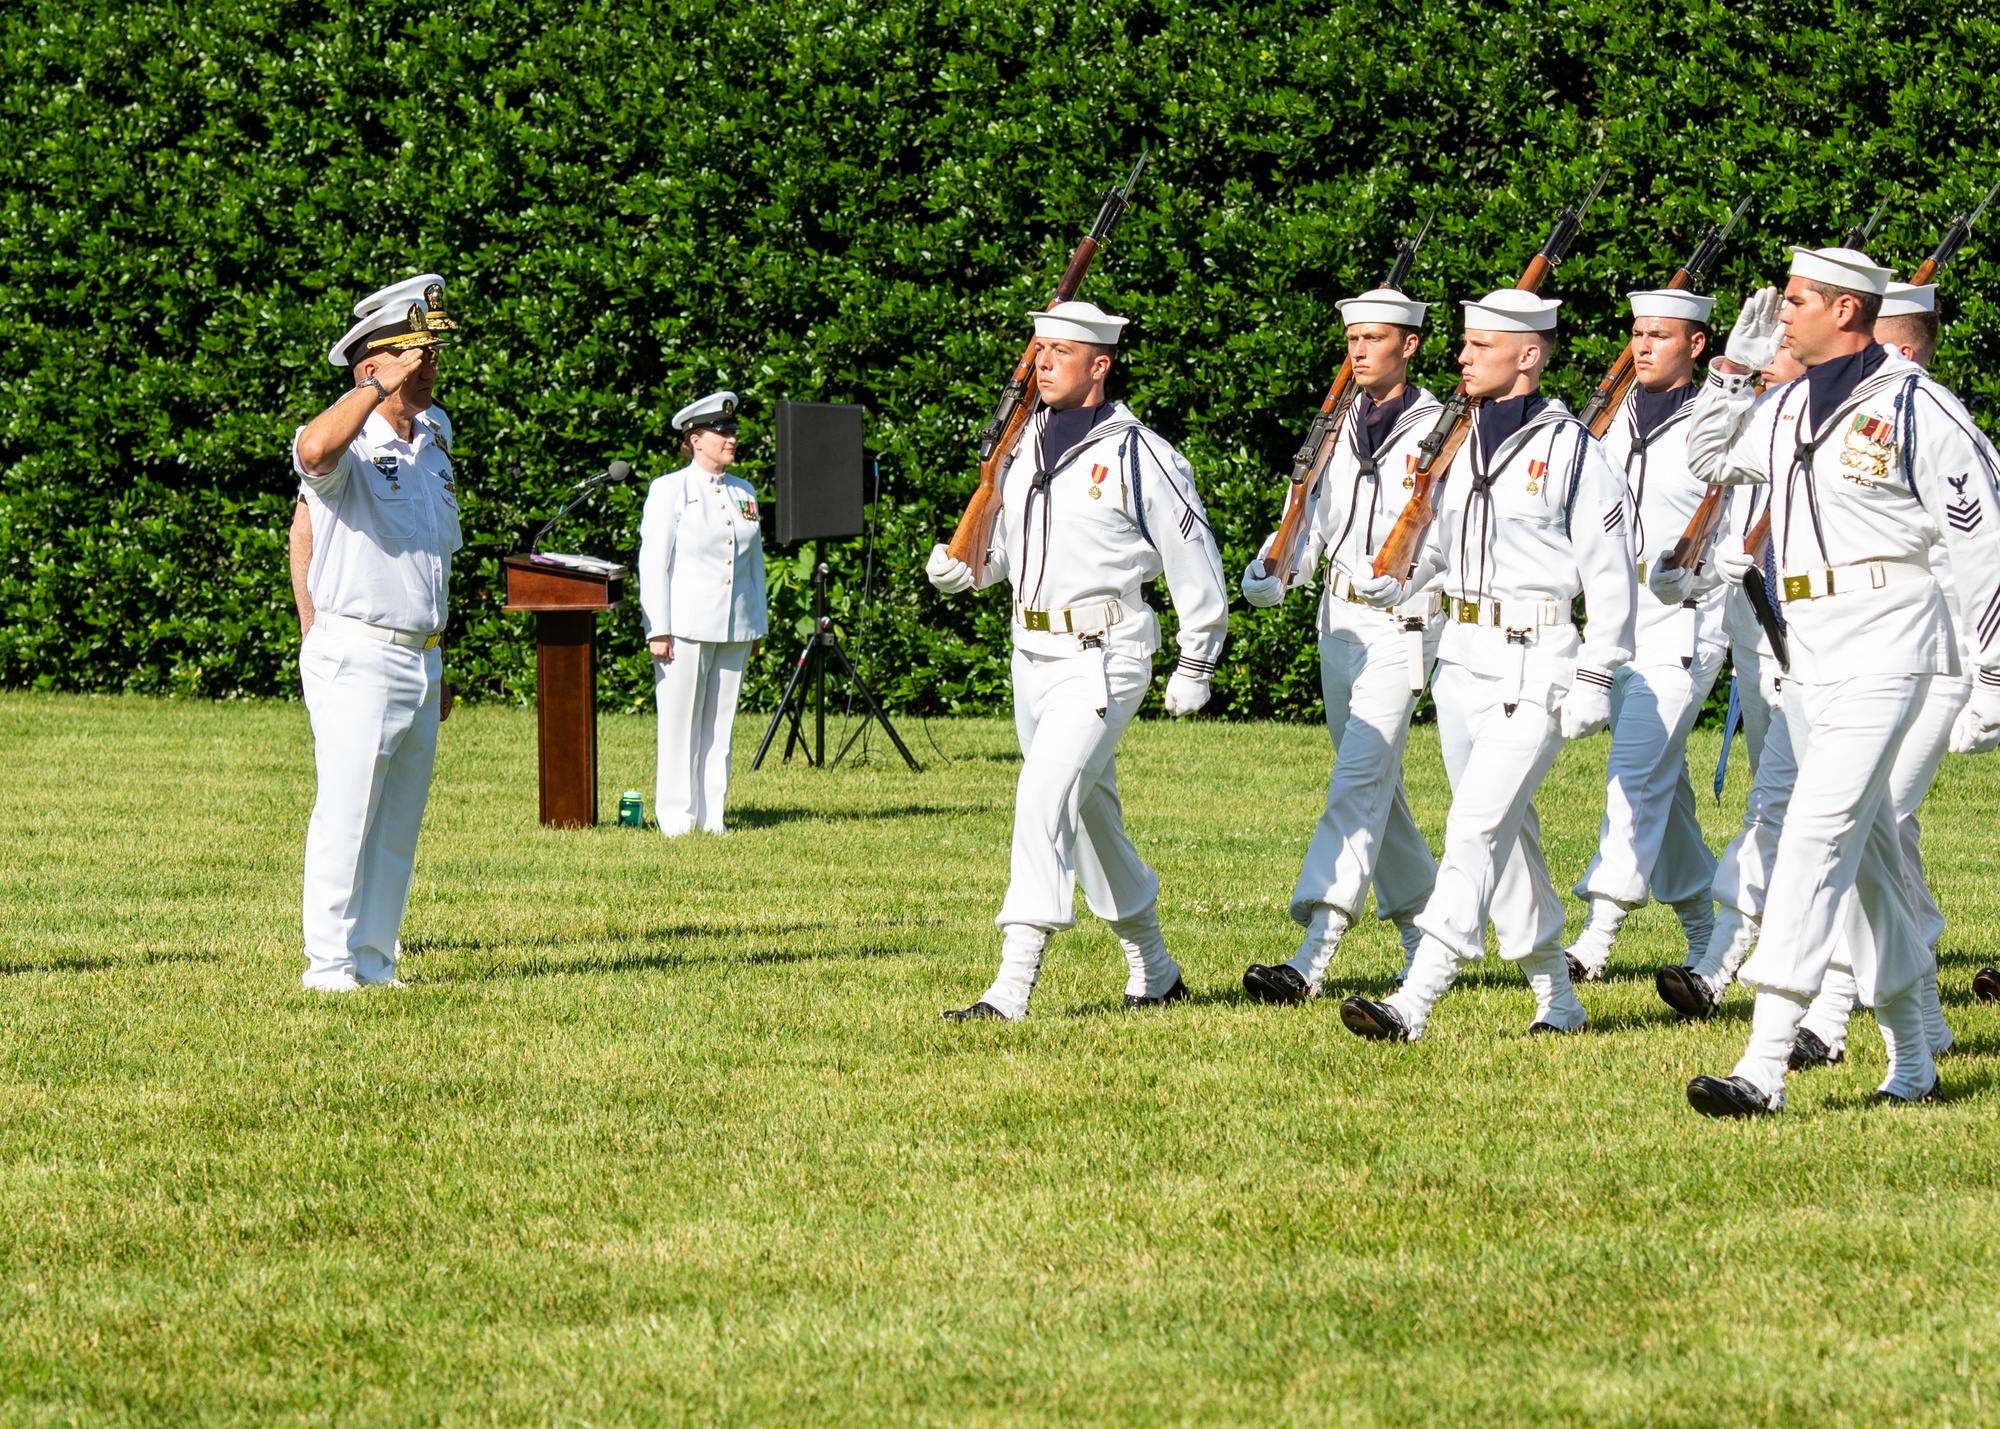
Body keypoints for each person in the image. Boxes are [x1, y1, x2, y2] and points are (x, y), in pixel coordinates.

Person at [1680, 247, 2000, 1116]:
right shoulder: (1785, 406)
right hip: (1808, 646)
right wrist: (1735, 372)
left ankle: (1765, 1059)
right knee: (1870, 864)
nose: (1782, 313)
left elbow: (1982, 540)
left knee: (1815, 834)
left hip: (1893, 639)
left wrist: (1995, 669)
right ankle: (1917, 1051)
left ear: (1847, 312)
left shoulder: (1917, 407)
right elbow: (1710, 458)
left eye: (1796, 302)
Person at [1338, 288, 1637, 1042]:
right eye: (1465, 343)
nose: (1462, 356)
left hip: (1535, 661)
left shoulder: (1572, 449)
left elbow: (1611, 574)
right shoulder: (1462, 437)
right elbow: (1439, 545)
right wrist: (1399, 579)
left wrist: (1600, 671)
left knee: (1473, 825)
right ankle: (1559, 999)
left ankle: (1417, 996)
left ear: (1528, 355)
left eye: (1479, 345)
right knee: (1510, 840)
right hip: (1464, 657)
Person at [926, 301, 1229, 1019]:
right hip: (1031, 652)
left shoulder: (1139, 452)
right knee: (1091, 816)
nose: (1043, 362)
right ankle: (1154, 969)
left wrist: (1198, 659)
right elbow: (1009, 553)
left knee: (1040, 796)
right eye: (1040, 350)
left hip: (1104, 654)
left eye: (1061, 352)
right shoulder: (1020, 443)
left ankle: (1011, 984)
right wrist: (966, 567)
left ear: (1100, 365)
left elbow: (1196, 559)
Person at [1780, 282, 1972, 1068]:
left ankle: (1823, 1017)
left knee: (1857, 820)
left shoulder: (1927, 417)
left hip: (1936, 657)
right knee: (1877, 841)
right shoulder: (1822, 413)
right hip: (1851, 653)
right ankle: (1923, 1029)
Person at [1236, 287, 1443, 1001]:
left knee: (1356, 782)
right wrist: (1273, 565)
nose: (1358, 350)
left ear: (1408, 345)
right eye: (1352, 338)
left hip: (1404, 625)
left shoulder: (1443, 427)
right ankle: (1424, 933)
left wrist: (1409, 577)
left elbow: (1447, 535)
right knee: (1375, 783)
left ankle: (1311, 954)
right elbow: (1311, 519)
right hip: (1339, 624)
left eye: (1375, 339)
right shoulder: (1335, 424)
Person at [290, 274, 461, 992]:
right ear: (375, 364)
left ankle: (375, 961)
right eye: (415, 354)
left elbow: (433, 554)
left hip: (418, 654)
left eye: (433, 353)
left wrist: (441, 660)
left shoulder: (437, 433)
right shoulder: (346, 440)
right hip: (357, 650)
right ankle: (327, 965)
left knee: (396, 824)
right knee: (348, 810)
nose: (430, 366)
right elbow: (312, 456)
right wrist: (315, 637)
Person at [1566, 289, 1725, 982]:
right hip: (1616, 614)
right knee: (1664, 784)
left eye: (1661, 334)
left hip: (1685, 617)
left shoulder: (1719, 421)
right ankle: (1706, 930)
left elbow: (1740, 521)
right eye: (1637, 333)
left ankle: (1596, 937)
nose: (1644, 345)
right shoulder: (1608, 417)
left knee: (1633, 772)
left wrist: (1695, 574)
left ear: (1695, 344)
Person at [1652, 340, 1804, 1019]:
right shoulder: (1759, 431)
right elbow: (1728, 523)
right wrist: (1692, 573)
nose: (1773, 360)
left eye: (1785, 349)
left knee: (1783, 811)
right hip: (1756, 644)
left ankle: (1719, 966)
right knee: (1797, 814)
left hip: (1818, 652)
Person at [638, 391, 768, 837]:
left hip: (734, 625)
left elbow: (754, 564)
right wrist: (659, 627)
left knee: (721, 724)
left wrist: (757, 622)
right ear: (694, 438)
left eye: (733, 431)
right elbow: (654, 563)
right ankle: (676, 818)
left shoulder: (743, 491)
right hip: (685, 627)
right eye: (722, 431)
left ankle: (714, 817)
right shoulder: (670, 489)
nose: (732, 438)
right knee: (680, 726)